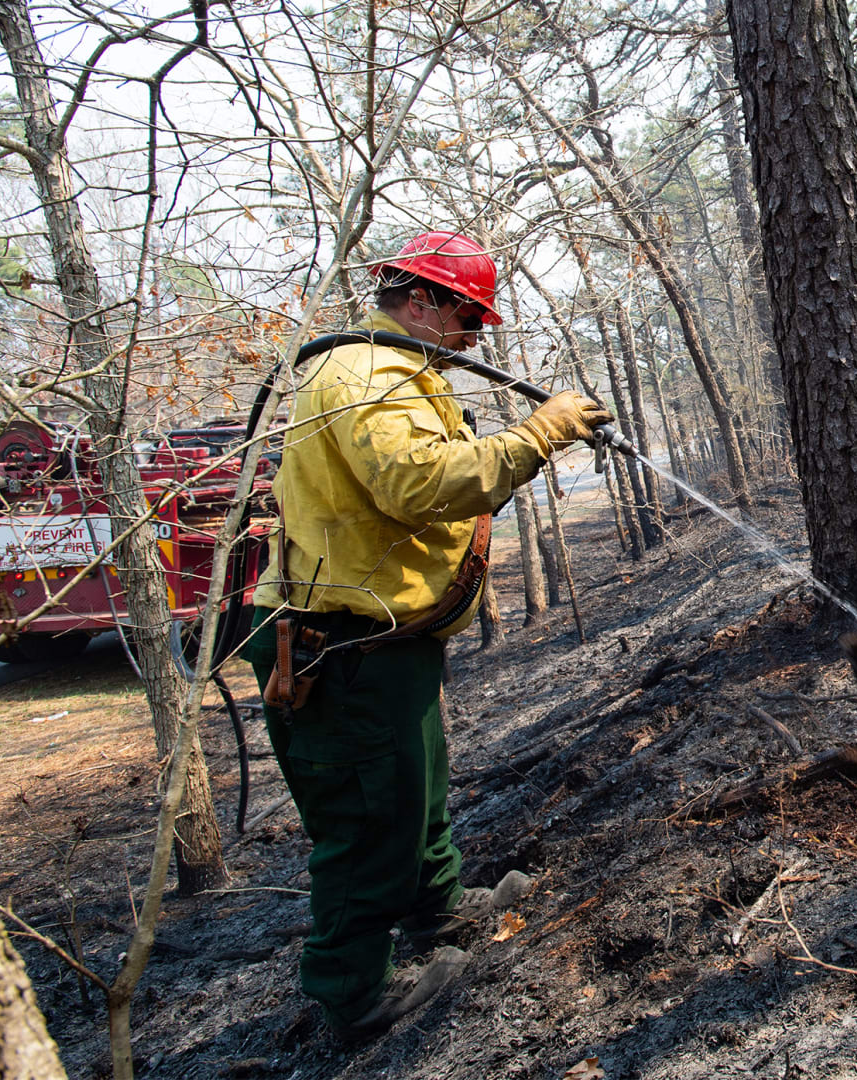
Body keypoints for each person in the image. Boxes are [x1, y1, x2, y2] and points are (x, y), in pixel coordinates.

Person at [245, 230, 613, 1037]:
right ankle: (354, 995)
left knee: (416, 790)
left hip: (383, 636)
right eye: (469, 318)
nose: (476, 338)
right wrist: (540, 433)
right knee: (369, 820)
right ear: (423, 302)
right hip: (335, 646)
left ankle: (438, 911)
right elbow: (421, 484)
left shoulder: (399, 371)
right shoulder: (367, 373)